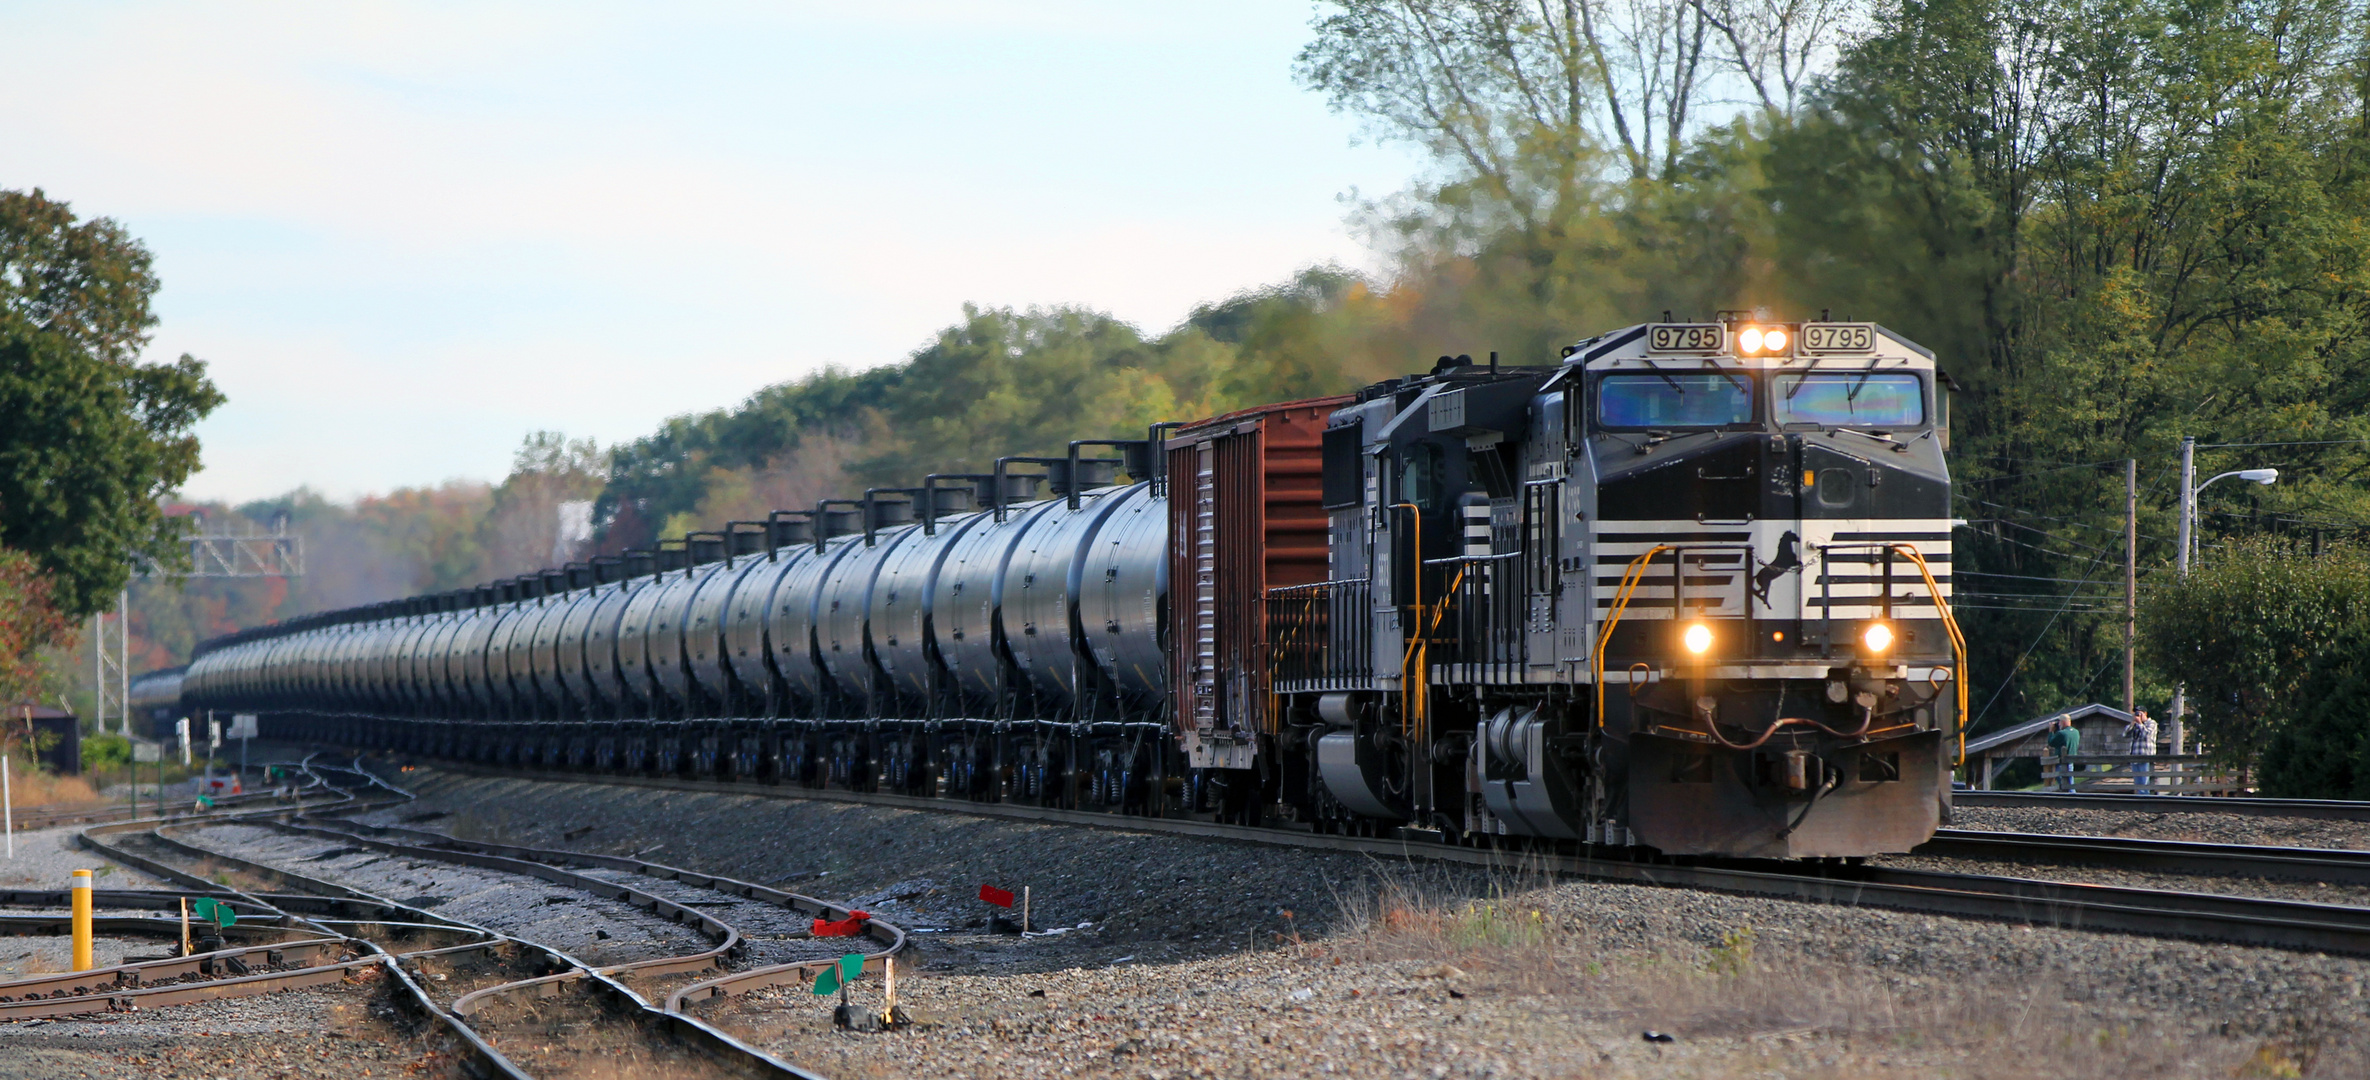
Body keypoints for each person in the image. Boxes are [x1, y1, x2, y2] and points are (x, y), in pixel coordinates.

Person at [2125, 709, 2160, 795]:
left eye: (2140, 713)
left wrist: (2140, 723)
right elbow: (2125, 734)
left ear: (2145, 713)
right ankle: (2139, 802)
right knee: (2138, 784)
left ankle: (2145, 801)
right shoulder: (2135, 725)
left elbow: (2147, 735)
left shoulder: (2152, 723)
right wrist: (2133, 723)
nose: (2138, 715)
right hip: (2135, 757)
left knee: (2145, 783)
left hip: (2146, 757)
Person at [2046, 717, 2081, 792]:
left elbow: (2051, 742)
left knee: (2063, 780)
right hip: (2071, 760)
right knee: (2070, 781)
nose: (2059, 724)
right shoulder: (2076, 732)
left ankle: (2071, 798)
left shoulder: (2061, 733)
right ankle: (2071, 796)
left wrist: (2051, 731)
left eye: (2059, 722)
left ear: (2063, 722)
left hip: (2062, 761)